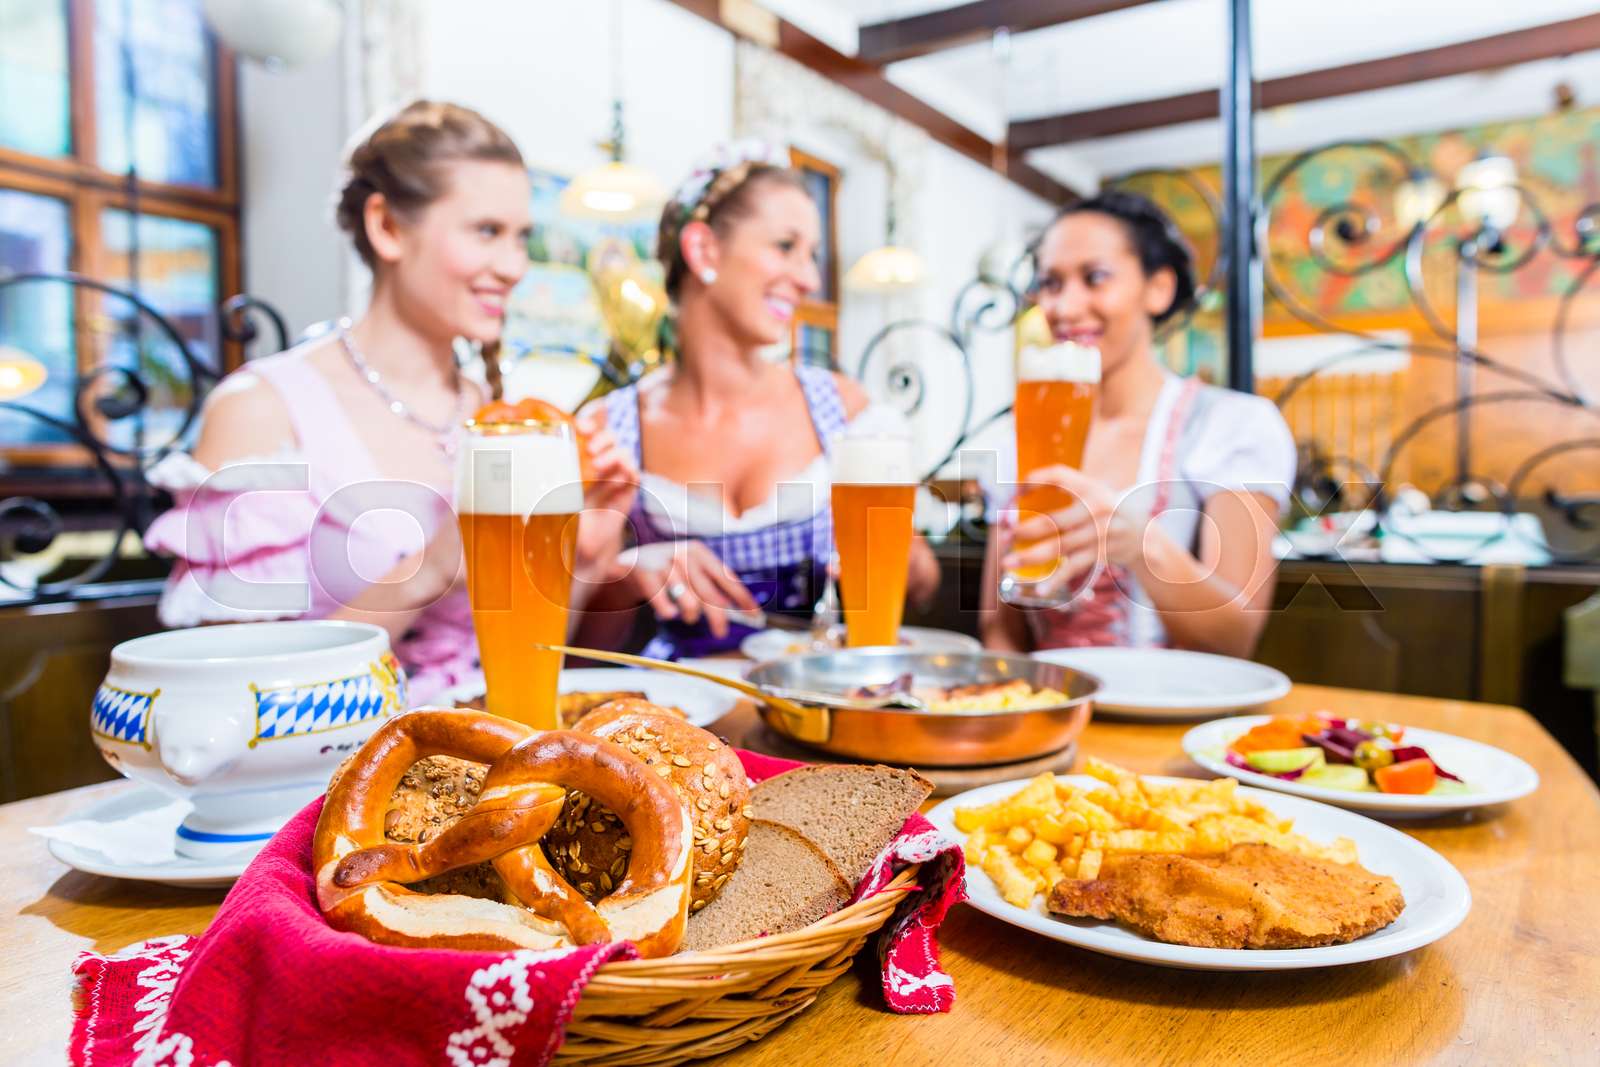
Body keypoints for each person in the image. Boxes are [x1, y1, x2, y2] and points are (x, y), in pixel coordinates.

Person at [144, 100, 632, 703]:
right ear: (388, 227)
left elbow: (522, 657)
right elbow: (233, 692)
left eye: (520, 238)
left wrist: (581, 554)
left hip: (488, 748)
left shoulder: (496, 416)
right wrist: (429, 567)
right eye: (486, 232)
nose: (513, 267)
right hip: (329, 776)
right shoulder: (259, 408)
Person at [573, 140, 940, 659]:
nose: (810, 279)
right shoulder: (607, 427)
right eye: (786, 247)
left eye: (811, 255)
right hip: (679, 714)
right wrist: (625, 575)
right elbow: (582, 653)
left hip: (816, 712)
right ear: (704, 251)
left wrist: (895, 562)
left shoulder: (843, 406)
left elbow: (923, 587)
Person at [979, 190, 1295, 657]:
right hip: (1052, 713)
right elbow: (1001, 633)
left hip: (1174, 721)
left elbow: (1235, 637)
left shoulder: (1231, 426)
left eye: (1095, 277)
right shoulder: (1020, 439)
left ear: (1158, 288)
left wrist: (1140, 546)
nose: (1065, 308)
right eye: (1050, 283)